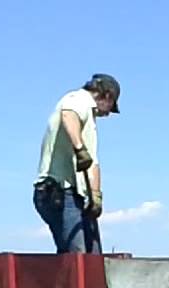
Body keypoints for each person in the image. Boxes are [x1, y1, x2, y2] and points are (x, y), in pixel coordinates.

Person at [33, 73, 121, 254]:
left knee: (93, 257)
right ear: (107, 95)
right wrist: (79, 148)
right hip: (58, 191)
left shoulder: (89, 121)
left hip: (76, 196)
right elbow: (68, 115)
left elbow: (93, 163)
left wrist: (96, 196)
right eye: (110, 107)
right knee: (77, 257)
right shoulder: (79, 99)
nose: (107, 114)